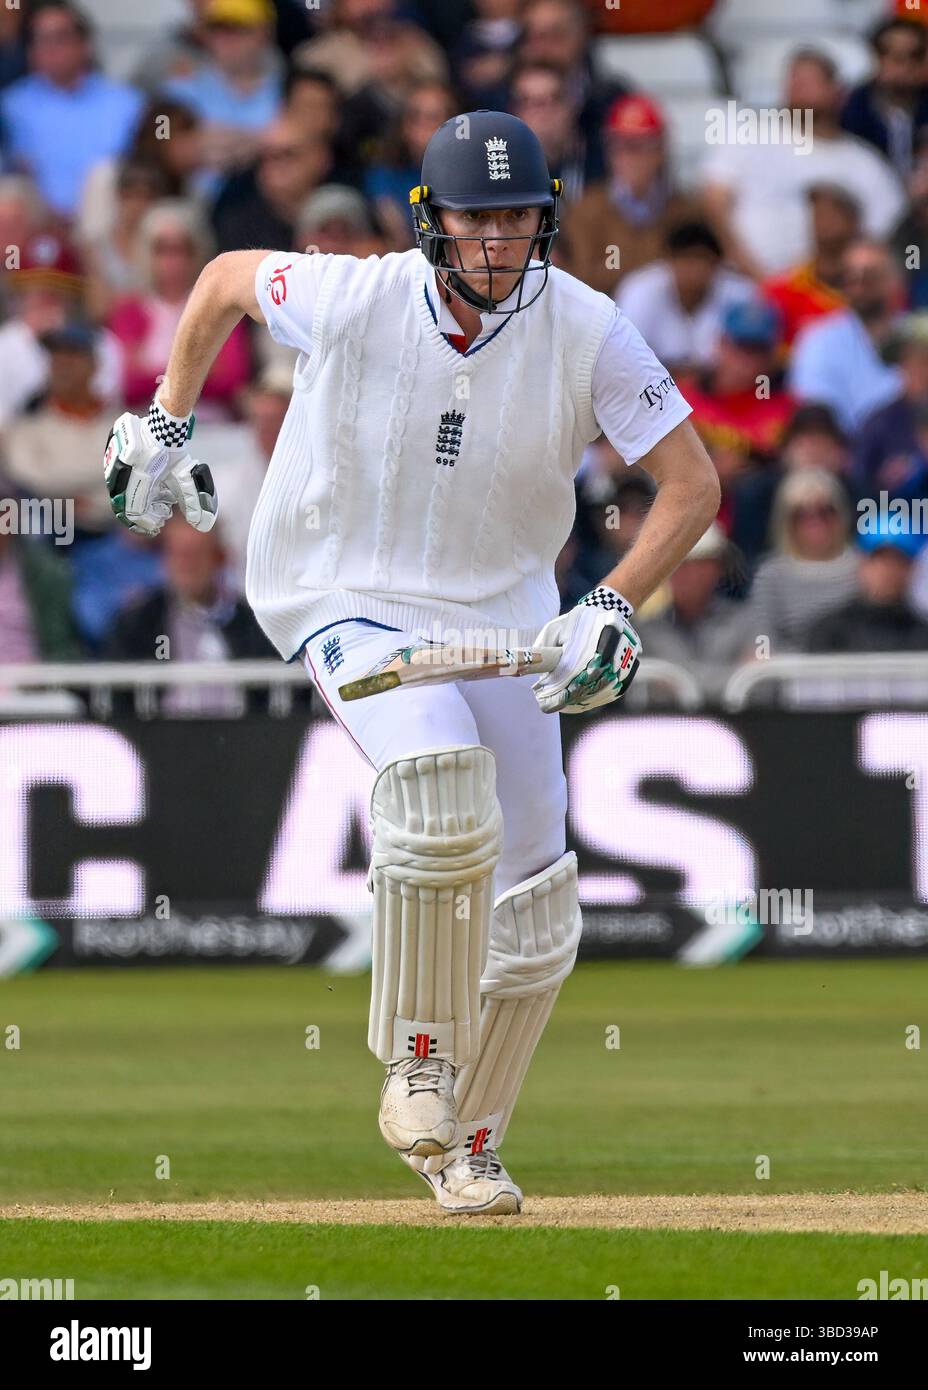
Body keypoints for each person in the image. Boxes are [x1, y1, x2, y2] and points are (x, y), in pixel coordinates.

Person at [101, 110, 720, 1215]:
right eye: (478, 217)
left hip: (505, 606)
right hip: (342, 589)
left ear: (547, 218)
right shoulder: (358, 293)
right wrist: (166, 420)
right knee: (436, 787)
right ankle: (418, 1063)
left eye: (520, 215)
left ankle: (469, 1145)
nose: (499, 240)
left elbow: (691, 483)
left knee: (537, 906)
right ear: (432, 224)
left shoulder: (587, 328)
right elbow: (222, 280)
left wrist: (612, 605)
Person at [702, 49, 906, 278]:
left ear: (838, 92)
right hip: (744, 283)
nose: (797, 85)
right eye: (792, 78)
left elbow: (884, 235)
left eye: (809, 79)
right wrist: (753, 273)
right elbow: (714, 203)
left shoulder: (864, 162)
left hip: (831, 297)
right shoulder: (750, 136)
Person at [103, 514, 278, 716]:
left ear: (220, 558)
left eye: (196, 554)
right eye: (177, 554)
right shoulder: (138, 623)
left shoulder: (253, 624)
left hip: (244, 736)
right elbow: (117, 694)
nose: (186, 566)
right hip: (161, 737)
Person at [107, 199, 252, 417]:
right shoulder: (129, 312)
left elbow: (231, 379)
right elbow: (127, 383)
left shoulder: (220, 307)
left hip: (212, 425)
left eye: (182, 250)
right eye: (162, 250)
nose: (172, 262)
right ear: (146, 253)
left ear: (198, 253)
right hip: (144, 425)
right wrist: (200, 372)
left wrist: (154, 372)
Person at [0, 1, 143, 219]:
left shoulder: (127, 104)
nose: (50, 48)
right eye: (40, 39)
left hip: (109, 224)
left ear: (85, 44)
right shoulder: (10, 106)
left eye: (60, 37)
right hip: (35, 230)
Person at [564, 93, 699, 296]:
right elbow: (580, 279)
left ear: (661, 150)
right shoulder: (586, 211)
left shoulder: (686, 211)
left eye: (639, 146)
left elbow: (698, 276)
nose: (628, 157)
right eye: (619, 145)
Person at [788, 239, 905, 434]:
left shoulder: (916, 334)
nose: (859, 286)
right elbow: (816, 412)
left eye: (870, 276)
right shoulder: (816, 339)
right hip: (840, 452)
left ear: (894, 281)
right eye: (851, 278)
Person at [615, 221, 754, 376]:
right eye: (685, 259)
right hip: (653, 388)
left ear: (717, 263)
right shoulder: (639, 289)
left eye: (700, 259)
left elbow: (754, 358)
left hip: (720, 392)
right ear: (668, 260)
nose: (692, 270)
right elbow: (625, 357)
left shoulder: (740, 294)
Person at [747, 469, 859, 652]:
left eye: (825, 511)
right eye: (801, 514)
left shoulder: (862, 568)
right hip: (790, 673)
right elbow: (762, 637)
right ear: (785, 520)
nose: (815, 522)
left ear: (840, 514)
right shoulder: (771, 575)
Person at [762, 184, 857, 350]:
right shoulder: (782, 289)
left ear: (853, 222)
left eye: (832, 214)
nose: (823, 222)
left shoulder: (869, 289)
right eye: (817, 214)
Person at [805, 526, 928, 652]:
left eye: (898, 561)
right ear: (862, 563)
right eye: (879, 559)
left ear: (911, 568)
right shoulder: (829, 631)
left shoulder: (923, 633)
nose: (887, 570)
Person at [841, 17, 928, 179]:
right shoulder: (848, 110)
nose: (903, 63)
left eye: (914, 54)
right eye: (889, 52)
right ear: (875, 57)